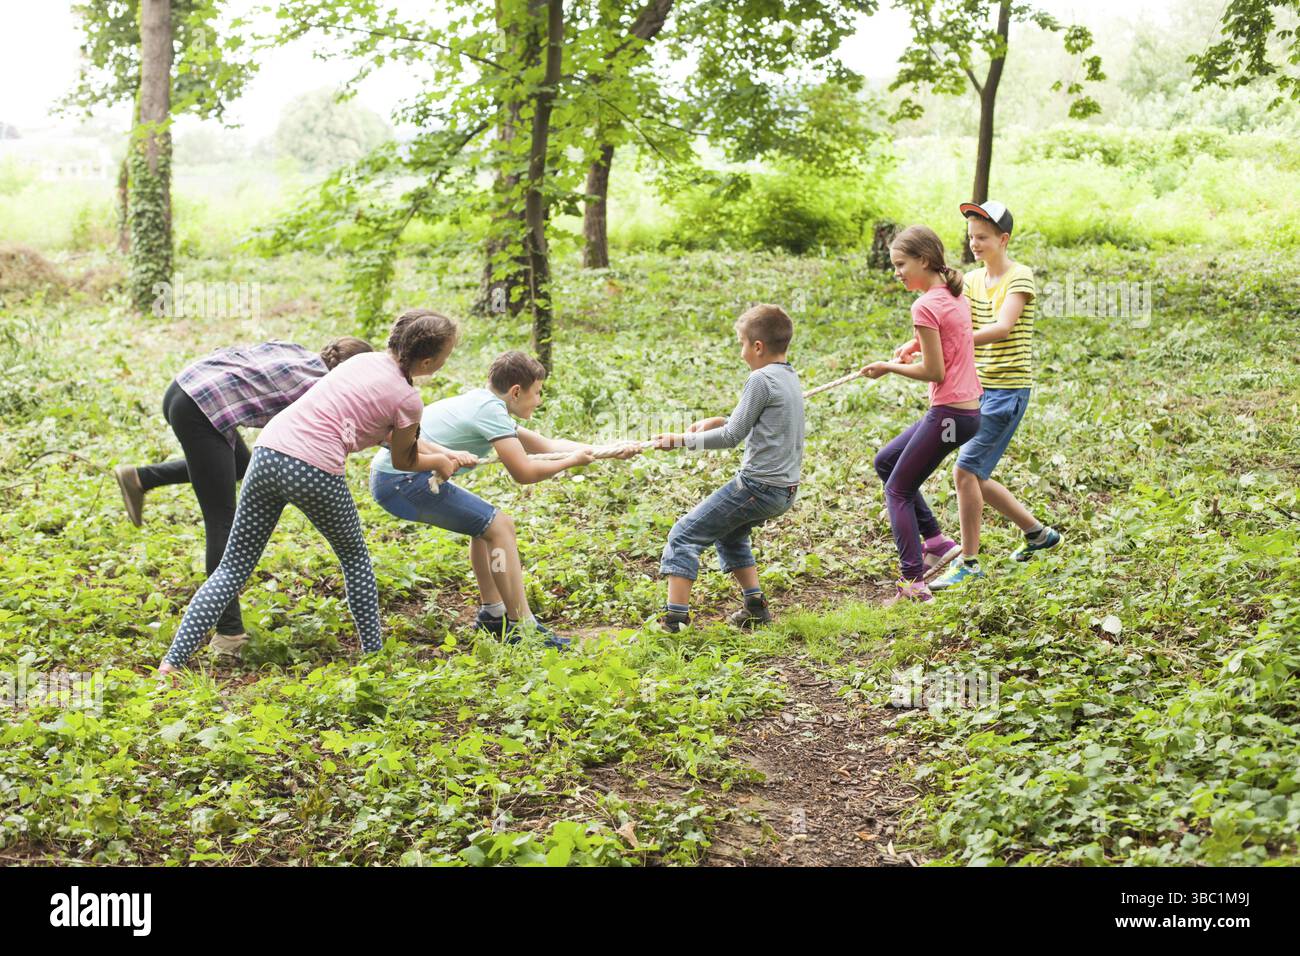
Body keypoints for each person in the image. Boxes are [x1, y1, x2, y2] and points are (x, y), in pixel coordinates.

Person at [156, 310, 460, 676]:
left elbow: (389, 436)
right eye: (446, 355)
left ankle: (171, 663)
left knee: (233, 568)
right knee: (355, 559)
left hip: (268, 453)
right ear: (428, 361)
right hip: (314, 469)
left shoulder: (362, 361)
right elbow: (403, 457)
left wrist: (445, 455)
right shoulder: (408, 399)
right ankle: (374, 658)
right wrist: (438, 465)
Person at [115, 336, 373, 656]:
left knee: (242, 466)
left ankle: (141, 478)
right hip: (202, 410)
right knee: (223, 521)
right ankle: (228, 635)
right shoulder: (321, 388)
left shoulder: (298, 353)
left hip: (182, 388)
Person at [370, 350, 631, 648]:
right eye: (538, 393)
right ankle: (525, 627)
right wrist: (571, 462)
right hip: (403, 481)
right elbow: (524, 472)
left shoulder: (486, 404)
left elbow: (545, 445)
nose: (540, 400)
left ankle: (494, 615)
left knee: (485, 528)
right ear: (516, 391)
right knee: (500, 526)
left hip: (395, 478)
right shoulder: (490, 412)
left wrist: (607, 449)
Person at [927, 201, 1061, 590]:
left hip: (1008, 389)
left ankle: (969, 563)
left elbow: (1002, 327)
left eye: (982, 237)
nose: (974, 243)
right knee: (976, 475)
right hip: (976, 388)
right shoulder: (970, 281)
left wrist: (953, 340)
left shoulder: (1020, 278)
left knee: (965, 471)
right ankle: (1038, 535)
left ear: (1003, 239)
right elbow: (953, 321)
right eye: (971, 237)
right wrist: (918, 344)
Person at [653, 304, 804, 631]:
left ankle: (674, 622)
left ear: (758, 346)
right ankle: (755, 607)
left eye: (742, 344)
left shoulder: (760, 379)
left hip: (759, 486)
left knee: (684, 534)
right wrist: (717, 421)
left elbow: (733, 436)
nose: (741, 353)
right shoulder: (788, 376)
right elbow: (757, 421)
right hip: (785, 488)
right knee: (731, 535)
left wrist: (681, 440)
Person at [862, 225, 982, 604]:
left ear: (924, 260)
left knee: (898, 489)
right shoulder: (951, 293)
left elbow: (935, 372)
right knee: (887, 461)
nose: (896, 272)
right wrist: (914, 343)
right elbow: (953, 336)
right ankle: (937, 541)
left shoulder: (925, 305)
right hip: (965, 414)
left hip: (949, 416)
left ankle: (913, 580)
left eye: (901, 264)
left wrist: (889, 367)